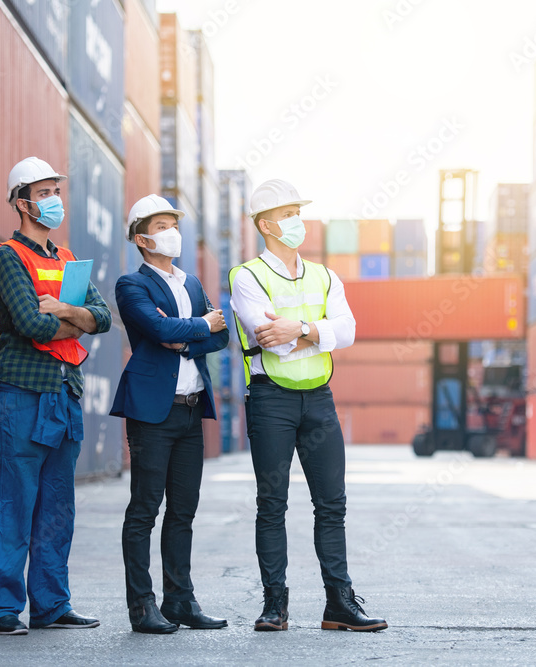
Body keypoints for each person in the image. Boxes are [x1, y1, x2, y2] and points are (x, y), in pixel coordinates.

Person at [228, 179, 387, 632]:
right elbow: (269, 340)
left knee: (332, 505)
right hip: (270, 399)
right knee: (271, 505)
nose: (298, 220)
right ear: (265, 225)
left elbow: (348, 331)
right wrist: (319, 332)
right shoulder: (247, 276)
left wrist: (300, 329)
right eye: (288, 213)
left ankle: (339, 604)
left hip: (319, 398)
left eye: (298, 211)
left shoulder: (326, 275)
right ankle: (274, 605)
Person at [0, 157, 111, 635]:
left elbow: (104, 317)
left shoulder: (68, 258)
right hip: (21, 393)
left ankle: (52, 604)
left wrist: (65, 311)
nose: (54, 199)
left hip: (64, 393)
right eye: (44, 192)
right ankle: (1, 609)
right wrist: (77, 319)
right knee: (13, 502)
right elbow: (31, 324)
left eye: (57, 190)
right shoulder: (5, 256)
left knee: (57, 506)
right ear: (22, 202)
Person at [110, 195, 230, 634]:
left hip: (191, 409)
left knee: (183, 511)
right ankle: (142, 606)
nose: (171, 233)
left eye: (173, 224)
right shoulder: (131, 285)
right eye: (161, 226)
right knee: (145, 509)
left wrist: (184, 337)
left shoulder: (192, 283)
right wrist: (198, 327)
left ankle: (180, 600)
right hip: (151, 413)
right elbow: (159, 328)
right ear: (142, 239)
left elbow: (222, 335)